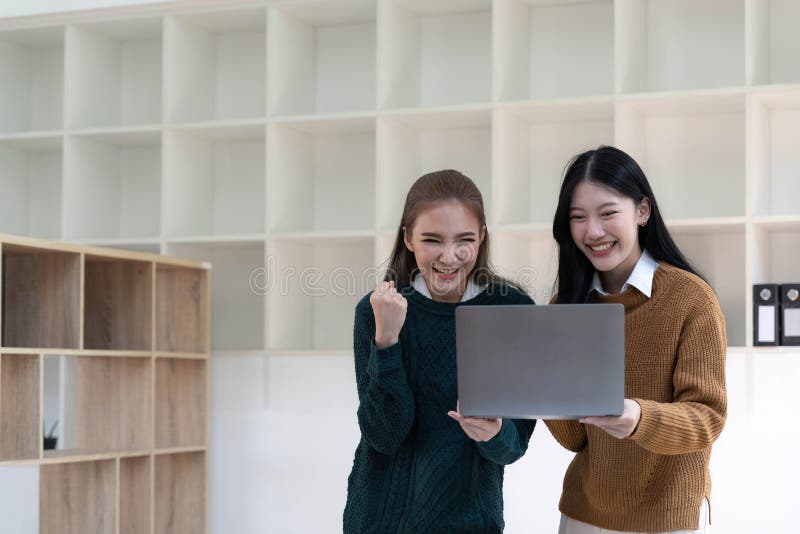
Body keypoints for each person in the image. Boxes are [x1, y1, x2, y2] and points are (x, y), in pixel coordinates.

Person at [343, 169, 536, 533]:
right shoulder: (376, 310)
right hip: (381, 522)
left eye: (464, 239)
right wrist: (387, 340)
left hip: (471, 523)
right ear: (408, 238)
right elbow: (384, 436)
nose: (449, 257)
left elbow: (515, 446)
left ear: (481, 238)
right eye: (432, 239)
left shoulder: (512, 310)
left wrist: (494, 433)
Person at [547, 146, 727, 534]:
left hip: (667, 518)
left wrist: (638, 418)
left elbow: (707, 418)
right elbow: (575, 437)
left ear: (642, 211)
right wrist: (541, 388)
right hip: (582, 515)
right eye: (578, 218)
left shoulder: (690, 299)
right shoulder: (568, 305)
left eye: (608, 213)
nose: (592, 231)